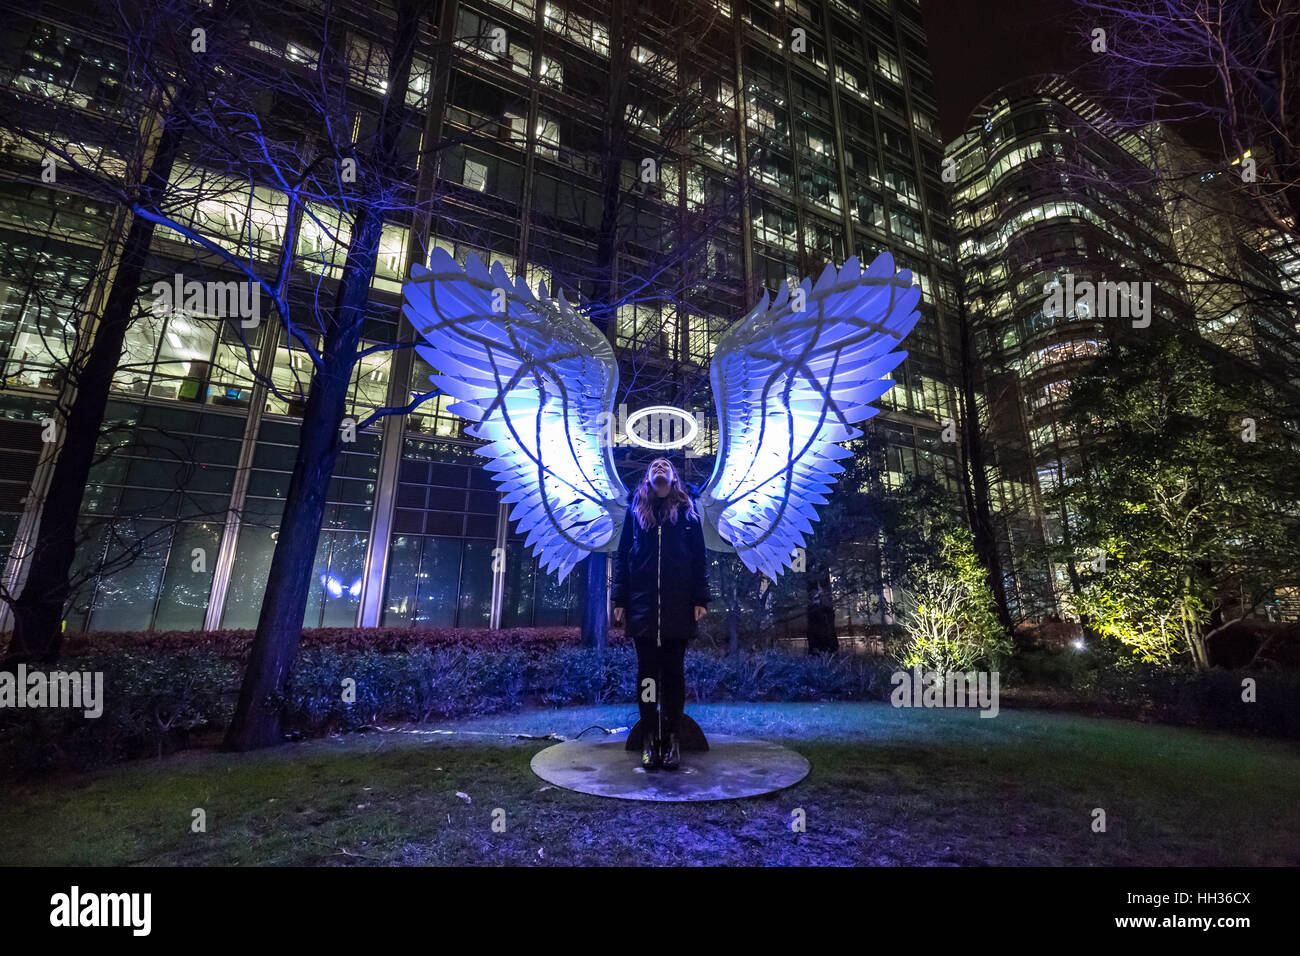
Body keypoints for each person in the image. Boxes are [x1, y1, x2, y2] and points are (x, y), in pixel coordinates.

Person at [611, 457, 710, 770]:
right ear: (648, 477)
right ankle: (650, 740)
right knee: (647, 677)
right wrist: (620, 599)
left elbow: (699, 559)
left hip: (678, 608)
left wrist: (701, 597)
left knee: (673, 677)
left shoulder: (687, 513)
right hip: (642, 609)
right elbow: (623, 554)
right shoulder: (635, 512)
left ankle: (671, 740)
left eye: (665, 464)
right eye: (654, 464)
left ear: (674, 477)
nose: (659, 466)